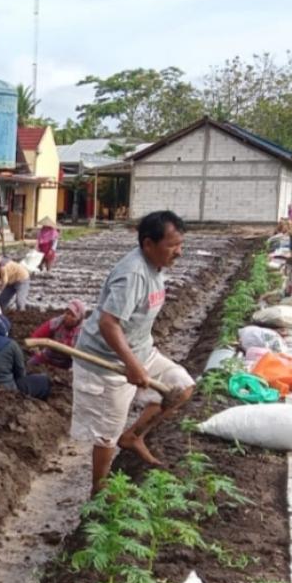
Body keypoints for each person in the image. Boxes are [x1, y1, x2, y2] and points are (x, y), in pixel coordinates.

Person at [71, 211, 196, 496]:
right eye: (173, 245)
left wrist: (139, 361)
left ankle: (134, 436)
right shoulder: (133, 274)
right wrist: (131, 365)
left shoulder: (157, 265)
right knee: (106, 434)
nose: (179, 252)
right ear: (149, 244)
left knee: (182, 387)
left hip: (141, 350)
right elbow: (108, 322)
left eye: (181, 244)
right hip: (106, 361)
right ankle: (98, 492)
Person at [28, 299, 86, 369]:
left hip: (69, 362)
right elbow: (37, 336)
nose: (68, 317)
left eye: (72, 316)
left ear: (78, 319)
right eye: (67, 313)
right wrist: (36, 351)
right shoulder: (56, 323)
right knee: (30, 364)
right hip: (49, 356)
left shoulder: (83, 332)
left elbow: (84, 354)